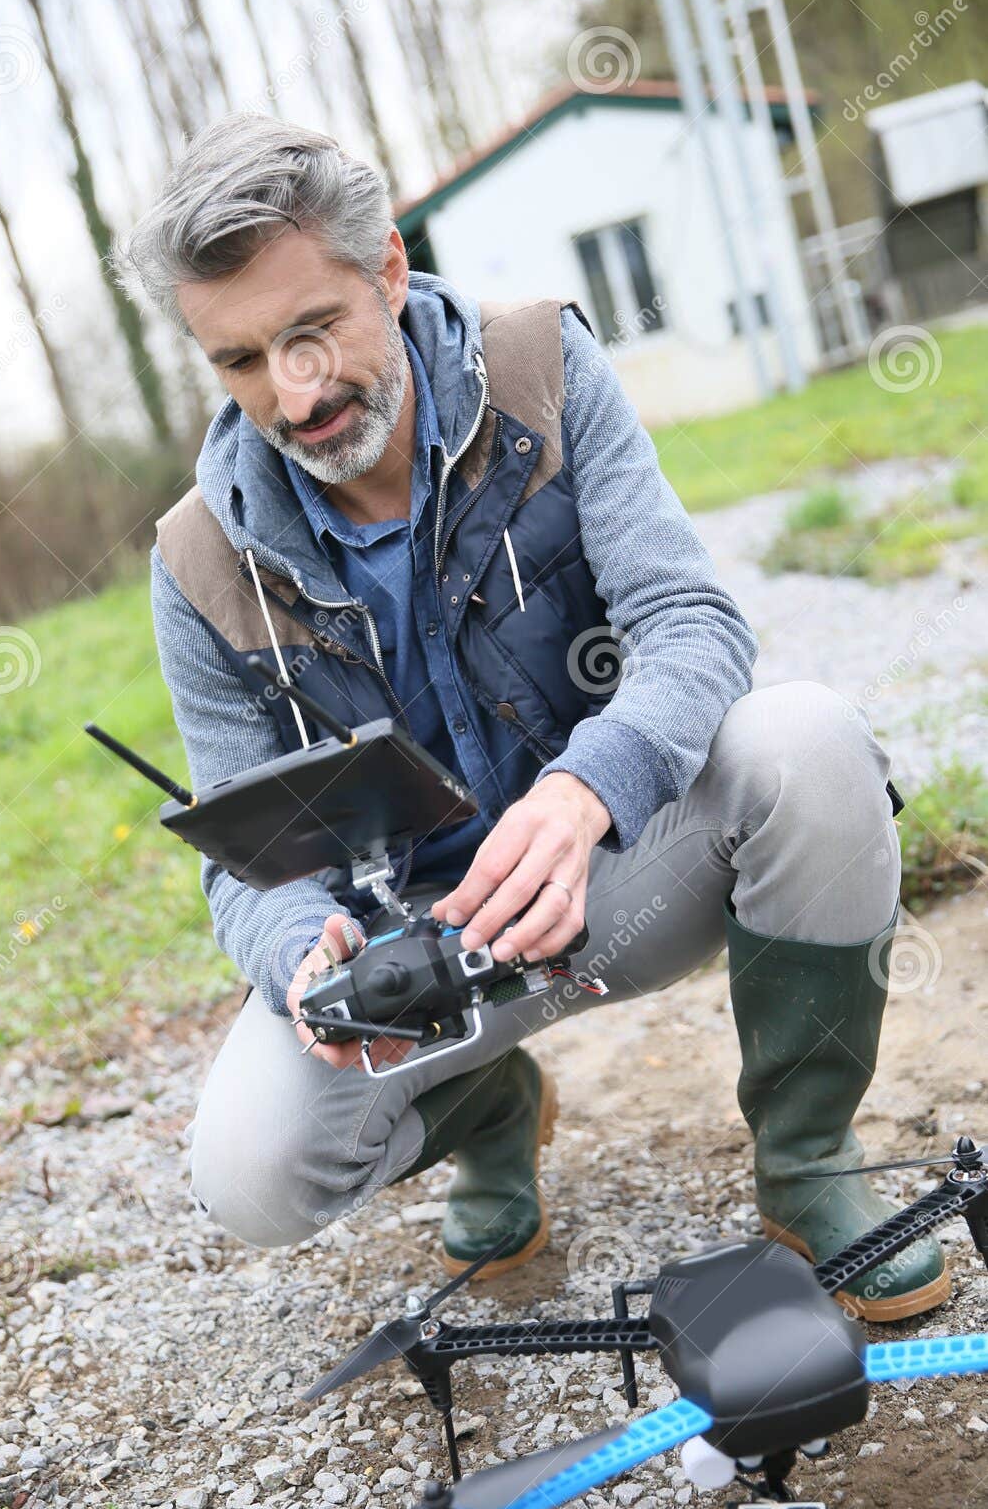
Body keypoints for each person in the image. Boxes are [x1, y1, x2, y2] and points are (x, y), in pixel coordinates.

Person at [114, 113, 947, 1321]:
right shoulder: (197, 559)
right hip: (422, 973)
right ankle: (489, 1110)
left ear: (389, 271)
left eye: (313, 332)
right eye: (239, 362)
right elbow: (249, 861)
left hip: (620, 874)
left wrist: (584, 789)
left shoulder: (539, 373)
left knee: (807, 742)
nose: (290, 398)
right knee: (253, 1175)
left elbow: (691, 624)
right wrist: (298, 950)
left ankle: (808, 1158)